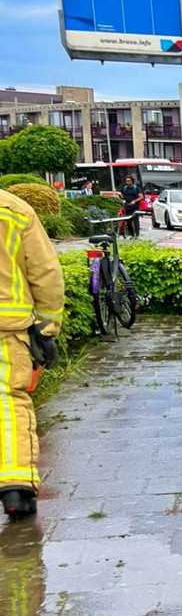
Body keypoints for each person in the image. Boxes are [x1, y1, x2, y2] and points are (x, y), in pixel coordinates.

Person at [0, 185, 64, 518]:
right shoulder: (14, 210)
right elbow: (45, 272)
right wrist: (47, 328)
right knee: (8, 401)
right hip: (6, 328)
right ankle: (15, 489)